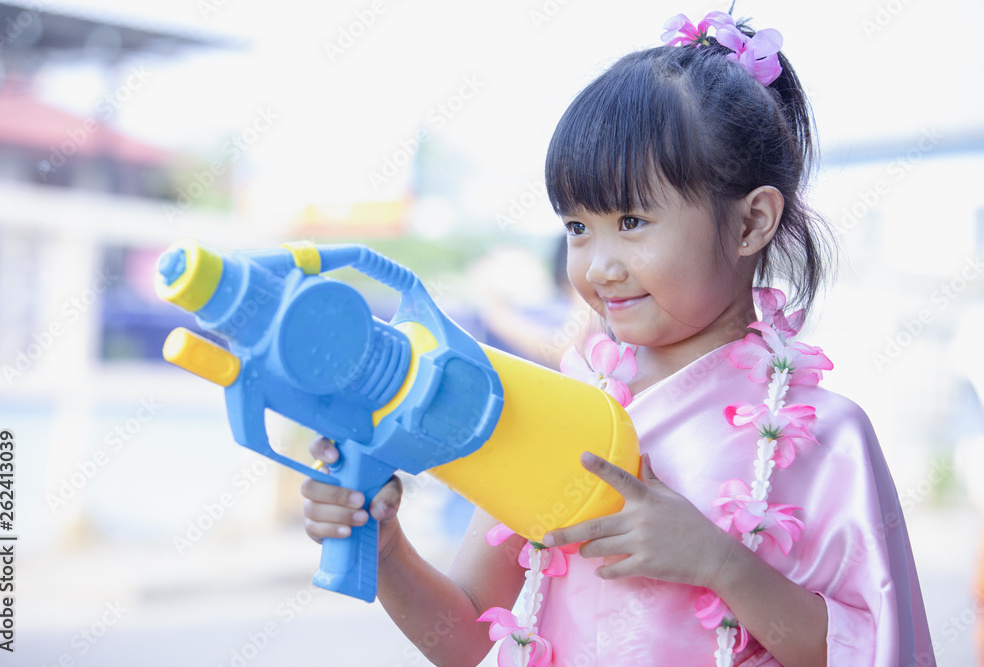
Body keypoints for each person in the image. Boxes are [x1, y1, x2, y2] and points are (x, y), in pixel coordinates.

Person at [301, 11, 934, 666]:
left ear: (751, 223)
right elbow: (463, 637)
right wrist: (387, 549)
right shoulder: (552, 407)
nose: (598, 264)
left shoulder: (829, 438)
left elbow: (878, 649)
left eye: (631, 219)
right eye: (577, 226)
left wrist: (720, 563)